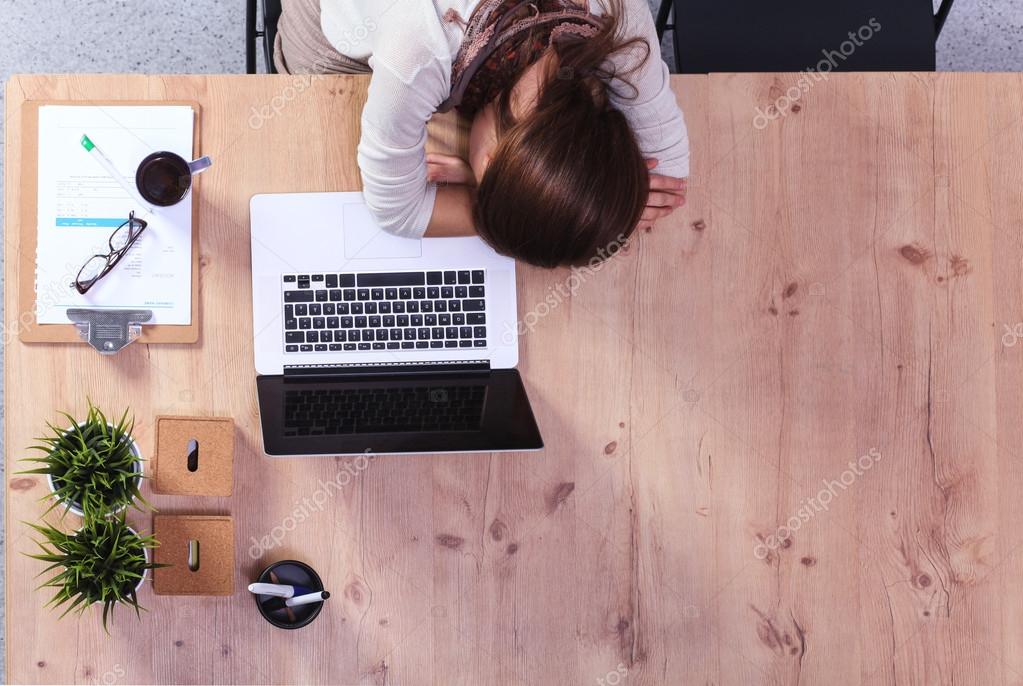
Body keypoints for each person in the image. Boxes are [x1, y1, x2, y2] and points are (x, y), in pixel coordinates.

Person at [275, 0, 689, 267]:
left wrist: (578, 202)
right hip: (335, 32)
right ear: (486, 164)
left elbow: (669, 166)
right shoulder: (418, 52)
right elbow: (395, 210)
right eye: (484, 183)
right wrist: (532, 209)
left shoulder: (613, 14)